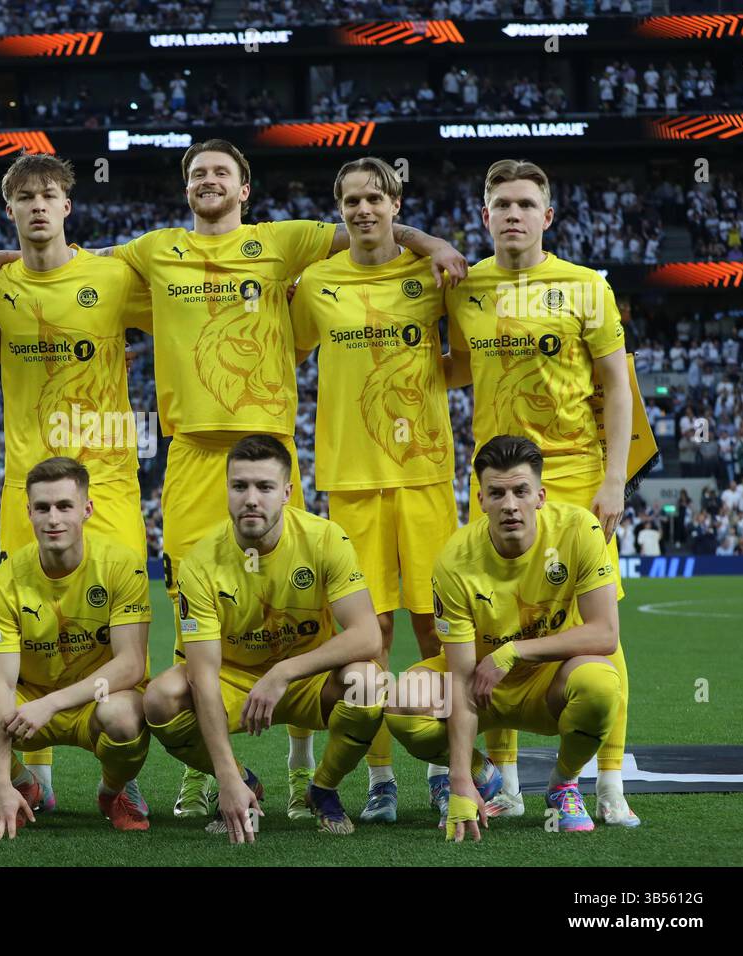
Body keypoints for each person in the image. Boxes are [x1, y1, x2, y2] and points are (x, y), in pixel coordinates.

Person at [0, 138, 466, 820]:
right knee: (191, 615)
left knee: (302, 613)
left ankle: (305, 769)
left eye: (221, 173)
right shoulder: (157, 249)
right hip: (193, 457)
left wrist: (432, 242)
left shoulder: (282, 243)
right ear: (187, 188)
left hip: (267, 451)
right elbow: (84, 262)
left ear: (244, 190)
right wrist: (7, 259)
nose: (208, 180)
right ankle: (201, 772)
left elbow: (368, 223)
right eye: (197, 173)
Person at [444, 159, 639, 827]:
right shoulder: (464, 290)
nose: (514, 214)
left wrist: (615, 479)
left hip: (576, 474)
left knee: (599, 637)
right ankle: (505, 782)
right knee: (492, 625)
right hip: (494, 479)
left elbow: (616, 386)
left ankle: (607, 782)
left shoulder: (586, 288)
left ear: (547, 217)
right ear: (485, 216)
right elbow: (454, 370)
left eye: (527, 203)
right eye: (501, 203)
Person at [0, 153, 153, 809]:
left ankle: (121, 779)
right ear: (11, 210)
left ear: (67, 205)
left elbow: (183, 300)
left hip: (107, 484)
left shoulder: (111, 278)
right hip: (27, 485)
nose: (36, 206)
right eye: (24, 197)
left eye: (48, 194)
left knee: (117, 635)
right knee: (30, 637)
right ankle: (37, 781)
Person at [290, 156, 457, 824]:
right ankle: (381, 777)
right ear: (340, 210)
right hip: (350, 480)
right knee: (370, 632)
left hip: (424, 475)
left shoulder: (433, 275)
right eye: (352, 201)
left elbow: (469, 359)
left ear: (395, 204)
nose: (363, 210)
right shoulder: (315, 283)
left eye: (375, 199)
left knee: (438, 627)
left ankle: (449, 767)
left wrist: (434, 243)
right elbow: (280, 350)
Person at [143, 435, 384, 842]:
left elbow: (368, 637)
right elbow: (202, 676)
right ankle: (243, 781)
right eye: (240, 486)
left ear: (288, 492)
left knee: (369, 682)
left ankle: (322, 788)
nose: (251, 499)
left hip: (305, 679)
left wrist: (282, 673)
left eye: (265, 487)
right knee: (158, 697)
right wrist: (225, 778)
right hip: (233, 681)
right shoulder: (200, 563)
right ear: (227, 490)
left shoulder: (326, 539)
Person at [383, 436, 622, 839]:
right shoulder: (454, 560)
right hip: (479, 684)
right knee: (400, 701)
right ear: (481, 500)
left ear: (540, 496)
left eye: (520, 491)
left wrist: (514, 651)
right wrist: (460, 778)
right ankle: (482, 773)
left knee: (600, 683)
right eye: (497, 493)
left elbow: (605, 633)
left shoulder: (579, 529)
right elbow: (458, 678)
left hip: (547, 682)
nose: (509, 504)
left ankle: (563, 784)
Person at [0, 457, 152, 837]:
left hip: (93, 701)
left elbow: (131, 665)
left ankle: (113, 790)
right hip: (26, 699)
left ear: (86, 510)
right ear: (29, 513)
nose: (53, 519)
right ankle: (25, 785)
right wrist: (0, 783)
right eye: (43, 508)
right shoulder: (3, 581)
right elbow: (2, 684)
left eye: (64, 506)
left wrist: (51, 703)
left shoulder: (122, 566)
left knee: (125, 715)